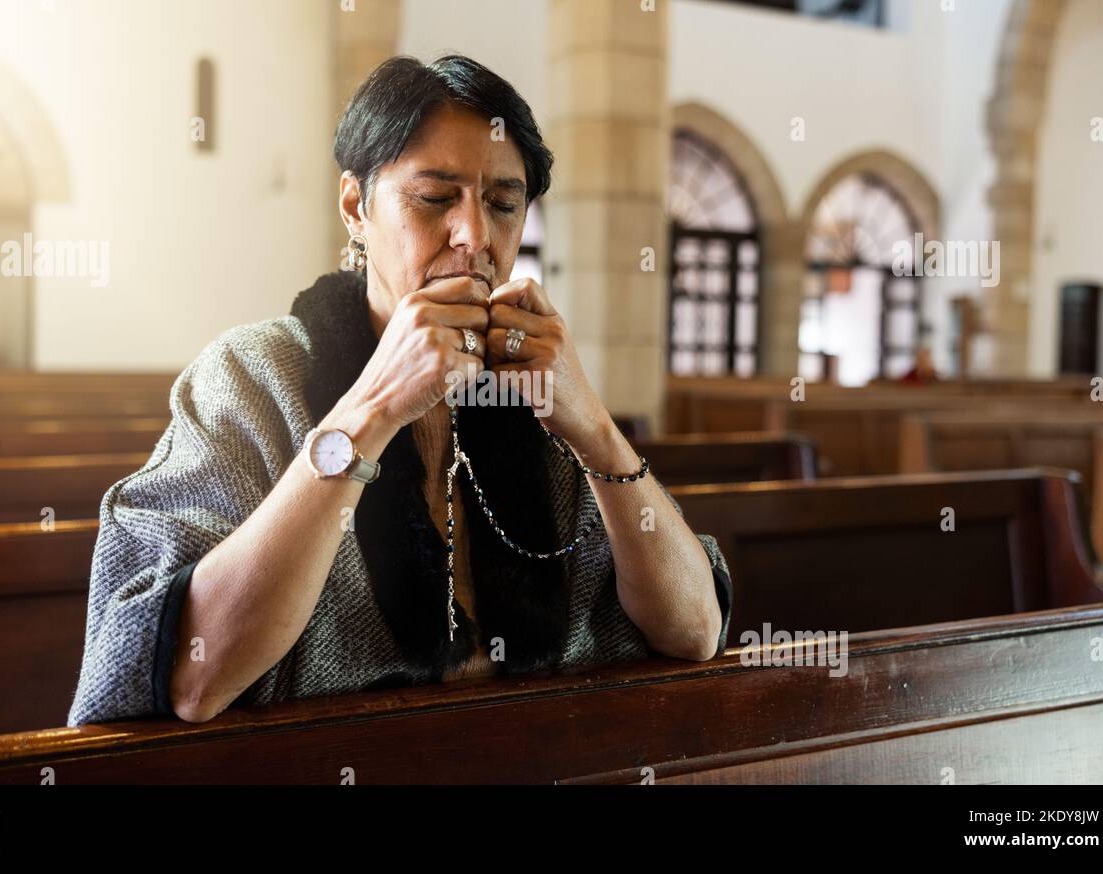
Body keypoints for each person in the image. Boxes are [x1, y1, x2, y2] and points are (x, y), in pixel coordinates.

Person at [67, 54, 733, 727]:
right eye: (435, 198)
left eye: (504, 204)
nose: (475, 235)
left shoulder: (535, 390)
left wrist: (593, 427)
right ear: (355, 207)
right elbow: (191, 678)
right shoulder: (252, 374)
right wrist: (375, 406)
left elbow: (695, 631)